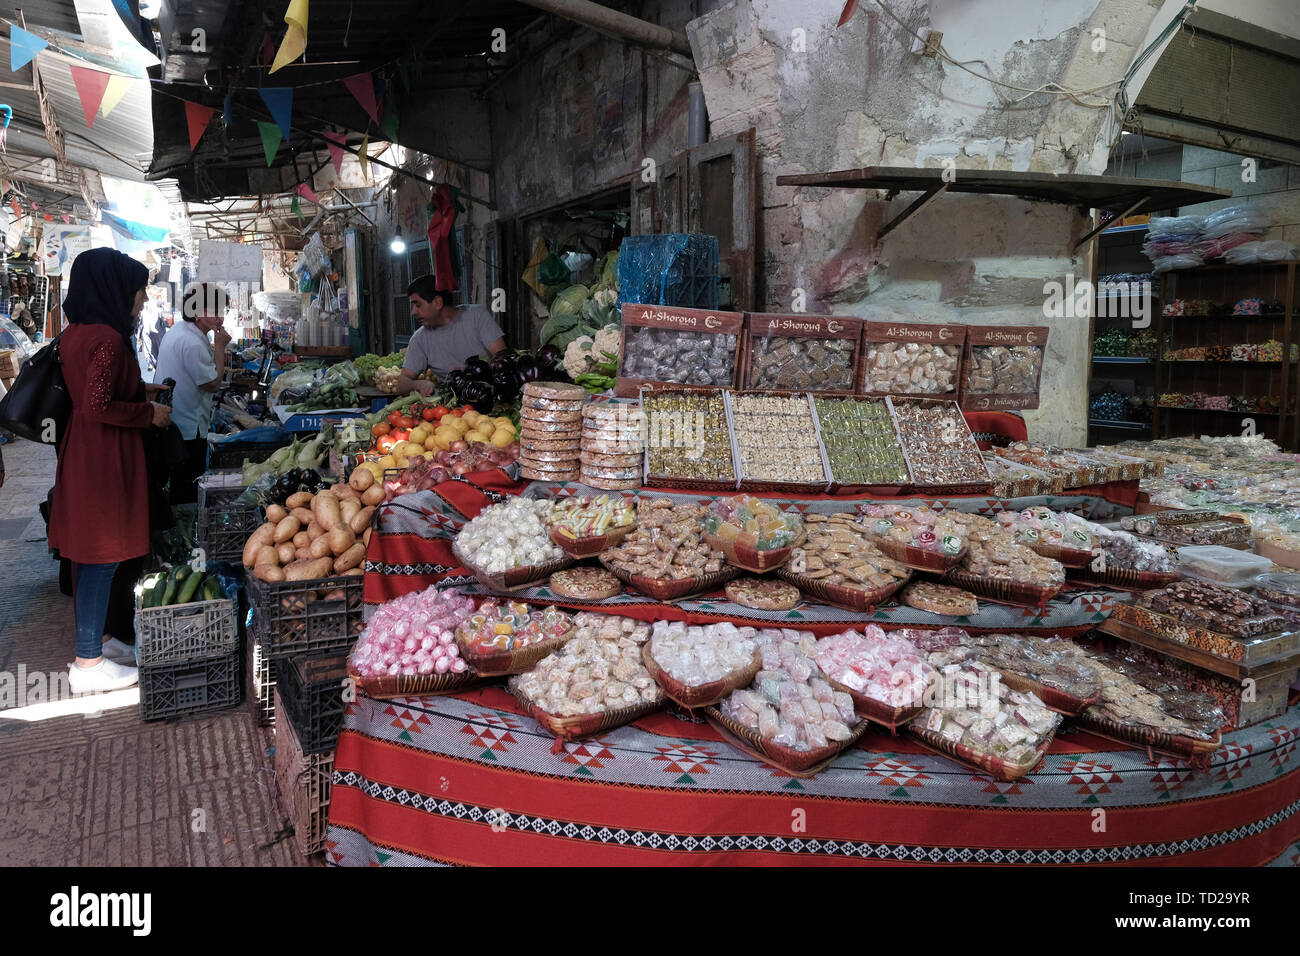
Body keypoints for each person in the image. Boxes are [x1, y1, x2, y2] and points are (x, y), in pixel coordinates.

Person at [48, 247, 173, 694]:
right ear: (115, 289)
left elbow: (93, 390)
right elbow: (99, 403)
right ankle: (88, 663)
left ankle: (98, 641)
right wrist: (149, 414)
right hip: (104, 456)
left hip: (83, 449)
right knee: (102, 555)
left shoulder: (75, 334)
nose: (140, 301)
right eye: (138, 291)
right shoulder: (106, 338)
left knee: (87, 556)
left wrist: (142, 390)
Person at [153, 282, 231, 504]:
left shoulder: (182, 330)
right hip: (186, 428)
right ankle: (185, 530)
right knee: (186, 490)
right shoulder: (191, 341)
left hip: (177, 421)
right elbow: (213, 384)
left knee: (181, 486)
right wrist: (220, 347)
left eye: (222, 311)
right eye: (214, 311)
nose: (220, 317)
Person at [395, 276, 506, 397]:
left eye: (418, 305)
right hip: (453, 407)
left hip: (490, 397)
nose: (413, 312)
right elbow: (401, 384)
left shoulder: (476, 316)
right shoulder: (419, 339)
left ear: (437, 302)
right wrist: (417, 385)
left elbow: (503, 360)